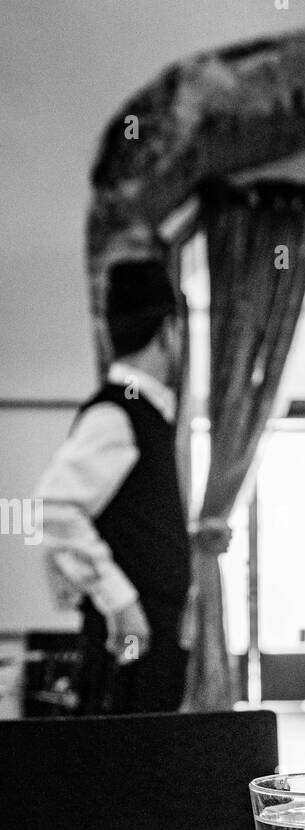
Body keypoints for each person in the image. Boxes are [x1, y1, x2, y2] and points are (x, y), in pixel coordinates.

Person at [36, 257, 190, 714]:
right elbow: (50, 509)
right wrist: (120, 600)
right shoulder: (120, 411)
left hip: (147, 641)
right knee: (126, 771)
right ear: (168, 330)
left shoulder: (142, 411)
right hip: (129, 644)